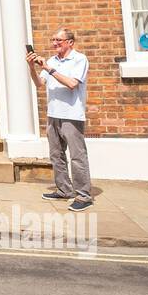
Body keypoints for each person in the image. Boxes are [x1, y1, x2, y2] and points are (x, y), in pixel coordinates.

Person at [26, 28, 92, 211]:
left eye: (59, 40)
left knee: (77, 156)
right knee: (56, 155)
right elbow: (40, 84)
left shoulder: (79, 59)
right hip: (53, 114)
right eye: (53, 40)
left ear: (70, 42)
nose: (55, 43)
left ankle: (84, 196)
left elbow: (72, 84)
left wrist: (48, 68)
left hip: (72, 115)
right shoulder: (52, 61)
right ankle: (64, 190)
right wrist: (32, 67)